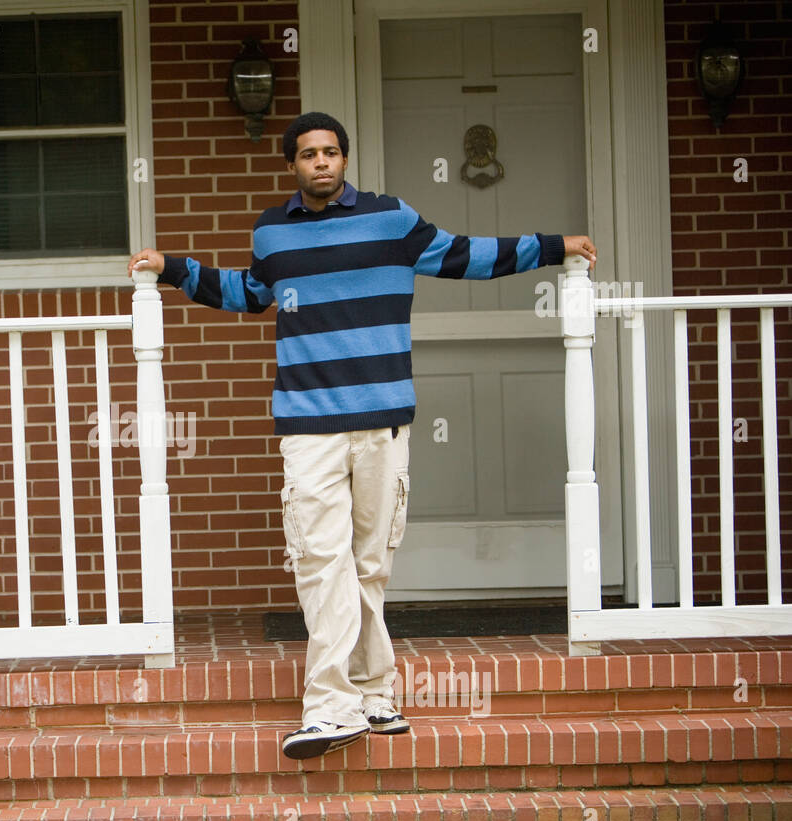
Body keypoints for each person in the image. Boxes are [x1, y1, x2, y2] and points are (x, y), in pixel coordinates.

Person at [127, 111, 596, 761]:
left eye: (331, 152)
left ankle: (376, 692)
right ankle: (331, 706)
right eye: (308, 153)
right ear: (292, 164)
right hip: (308, 425)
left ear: (344, 160)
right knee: (323, 561)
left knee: (368, 566)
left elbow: (466, 256)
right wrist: (174, 268)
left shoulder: (392, 221)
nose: (320, 161)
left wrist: (553, 246)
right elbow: (248, 292)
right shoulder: (274, 232)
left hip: (381, 422)